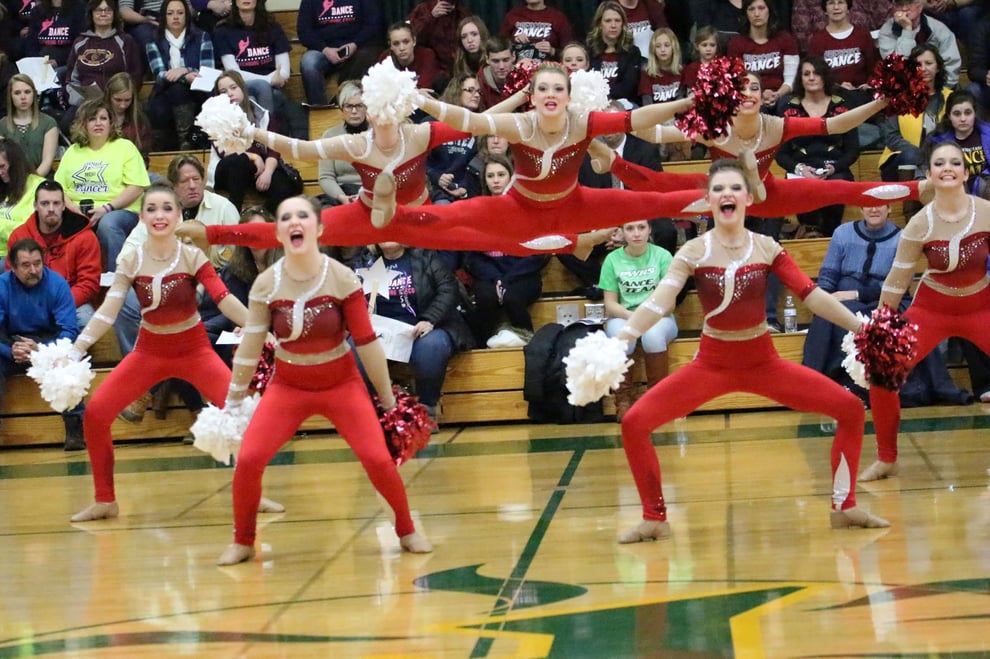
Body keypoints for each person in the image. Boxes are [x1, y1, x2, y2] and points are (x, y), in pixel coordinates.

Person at [611, 159, 889, 543]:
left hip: (763, 362)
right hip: (710, 365)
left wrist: (863, 328)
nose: (727, 194)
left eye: (734, 188)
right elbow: (660, 302)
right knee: (634, 423)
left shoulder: (767, 247)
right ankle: (654, 516)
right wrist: (624, 336)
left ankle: (845, 507)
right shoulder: (693, 250)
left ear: (748, 198)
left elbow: (812, 296)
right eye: (719, 189)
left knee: (851, 409)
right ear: (708, 200)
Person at [216, 195, 432, 565]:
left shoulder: (342, 277)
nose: (295, 222)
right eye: (286, 217)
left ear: (320, 228)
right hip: (288, 386)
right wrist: (234, 401)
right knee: (249, 459)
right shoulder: (266, 284)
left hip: (341, 384)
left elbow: (366, 343)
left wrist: (387, 400)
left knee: (378, 460)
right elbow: (250, 347)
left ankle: (407, 528)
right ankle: (243, 539)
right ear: (278, 232)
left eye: (303, 216)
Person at [68, 182, 249, 522]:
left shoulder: (193, 255)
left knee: (242, 412)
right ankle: (105, 499)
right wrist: (77, 348)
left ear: (179, 215)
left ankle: (257, 493)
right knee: (95, 415)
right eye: (151, 209)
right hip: (148, 352)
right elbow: (108, 310)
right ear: (141, 216)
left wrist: (259, 328)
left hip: (195, 349)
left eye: (167, 208)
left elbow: (224, 298)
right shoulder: (131, 258)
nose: (159, 215)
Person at [860, 141, 990, 482]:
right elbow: (897, 280)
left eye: (954, 163)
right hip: (933, 308)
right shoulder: (920, 223)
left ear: (965, 172)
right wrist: (880, 328)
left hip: (981, 306)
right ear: (930, 174)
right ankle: (887, 458)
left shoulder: (986, 212)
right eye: (939, 163)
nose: (947, 168)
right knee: (882, 372)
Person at [801, 202, 970, 407]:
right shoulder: (842, 233)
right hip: (845, 298)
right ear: (861, 209)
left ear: (890, 209)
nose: (874, 209)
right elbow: (828, 275)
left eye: (880, 206)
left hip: (888, 298)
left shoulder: (903, 237)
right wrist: (825, 299)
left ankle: (900, 389)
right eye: (868, 205)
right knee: (831, 317)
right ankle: (831, 387)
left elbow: (900, 282)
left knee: (905, 319)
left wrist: (856, 293)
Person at [363, 240, 474, 422]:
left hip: (426, 327)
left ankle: (426, 410)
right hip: (383, 331)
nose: (387, 237)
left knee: (432, 346)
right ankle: (376, 410)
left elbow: (448, 289)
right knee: (355, 348)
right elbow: (353, 297)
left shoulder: (426, 257)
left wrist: (430, 319)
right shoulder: (366, 261)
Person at [1, 237, 85, 451]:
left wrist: (41, 350)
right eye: (26, 265)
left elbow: (69, 331)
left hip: (48, 343)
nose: (33, 270)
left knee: (69, 366)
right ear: (12, 266)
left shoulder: (57, 284)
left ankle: (76, 430)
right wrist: (10, 350)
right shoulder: (2, 286)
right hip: (12, 344)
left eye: (37, 264)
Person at [54, 98, 150, 271]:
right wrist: (74, 210)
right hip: (78, 212)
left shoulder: (125, 147)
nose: (98, 123)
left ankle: (117, 279)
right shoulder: (72, 151)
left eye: (103, 118)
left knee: (108, 224)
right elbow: (59, 190)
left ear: (111, 123)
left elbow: (137, 187)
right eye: (92, 119)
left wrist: (107, 208)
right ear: (83, 124)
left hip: (119, 211)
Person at [463, 154, 548, 348]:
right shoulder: (477, 212)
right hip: (489, 276)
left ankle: (528, 341)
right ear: (484, 179)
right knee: (485, 297)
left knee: (511, 296)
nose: (495, 180)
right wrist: (496, 278)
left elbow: (538, 254)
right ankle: (483, 345)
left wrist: (507, 279)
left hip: (522, 275)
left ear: (511, 177)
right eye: (490, 175)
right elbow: (472, 257)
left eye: (501, 174)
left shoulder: (528, 210)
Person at [599, 219, 677, 421]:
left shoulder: (663, 256)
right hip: (624, 315)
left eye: (641, 227)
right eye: (630, 228)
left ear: (650, 229)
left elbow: (669, 304)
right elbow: (610, 304)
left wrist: (646, 317)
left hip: (660, 316)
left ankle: (658, 401)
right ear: (621, 232)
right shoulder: (612, 260)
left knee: (652, 336)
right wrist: (632, 318)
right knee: (623, 336)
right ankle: (623, 402)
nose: (636, 233)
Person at [774, 56, 858, 237]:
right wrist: (800, 169)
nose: (811, 77)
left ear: (824, 77)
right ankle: (809, 231)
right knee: (802, 187)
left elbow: (852, 150)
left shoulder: (842, 105)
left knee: (836, 183)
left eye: (816, 73)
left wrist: (834, 167)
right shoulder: (787, 107)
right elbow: (781, 154)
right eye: (806, 74)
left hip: (835, 167)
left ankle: (831, 233)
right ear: (800, 79)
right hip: (801, 169)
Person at [7, 180, 101, 328]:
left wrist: (58, 303)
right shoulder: (19, 236)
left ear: (64, 206)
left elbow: (89, 283)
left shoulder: (85, 237)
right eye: (45, 204)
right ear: (35, 206)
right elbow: (11, 281)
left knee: (88, 322)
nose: (51, 209)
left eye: (56, 203)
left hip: (72, 302)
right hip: (28, 303)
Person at [208, 71, 301, 213]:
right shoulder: (215, 119)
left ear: (242, 89)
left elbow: (273, 149)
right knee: (239, 161)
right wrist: (254, 157)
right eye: (223, 91)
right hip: (227, 170)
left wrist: (268, 173)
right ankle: (234, 213)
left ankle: (262, 218)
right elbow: (224, 151)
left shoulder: (263, 115)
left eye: (233, 87)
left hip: (258, 169)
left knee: (284, 185)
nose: (229, 93)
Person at [198, 205, 278, 367]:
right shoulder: (234, 269)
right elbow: (237, 310)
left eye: (261, 230)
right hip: (245, 325)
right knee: (202, 337)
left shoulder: (287, 263)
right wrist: (244, 328)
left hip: (280, 326)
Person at [878, 43, 952, 218]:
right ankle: (911, 215)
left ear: (938, 67)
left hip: (938, 159)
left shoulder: (950, 98)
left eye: (929, 63)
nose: (924, 69)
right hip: (900, 160)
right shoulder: (898, 97)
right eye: (919, 64)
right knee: (912, 156)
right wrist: (919, 153)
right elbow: (891, 136)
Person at [62, 0, 143, 132]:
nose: (103, 14)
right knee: (67, 122)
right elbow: (71, 80)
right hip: (86, 103)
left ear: (114, 14)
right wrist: (81, 101)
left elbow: (135, 76)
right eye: (99, 10)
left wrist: (118, 100)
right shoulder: (80, 42)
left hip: (117, 103)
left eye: (108, 10)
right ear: (92, 14)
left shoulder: (126, 41)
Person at [144, 0, 213, 151]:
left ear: (187, 16)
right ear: (164, 17)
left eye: (180, 13)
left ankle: (186, 140)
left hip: (198, 91)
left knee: (180, 90)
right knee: (175, 91)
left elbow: (208, 72)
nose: (175, 17)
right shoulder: (153, 39)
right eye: (170, 13)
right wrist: (185, 76)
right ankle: (184, 140)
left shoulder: (202, 36)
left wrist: (184, 69)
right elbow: (160, 74)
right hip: (165, 90)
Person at [212, 0, 290, 121]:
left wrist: (276, 78)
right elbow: (233, 72)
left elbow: (284, 71)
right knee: (261, 89)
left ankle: (266, 134)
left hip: (273, 87)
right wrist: (269, 80)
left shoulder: (273, 27)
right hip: (239, 86)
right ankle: (266, 135)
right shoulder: (223, 30)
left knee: (276, 96)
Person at [296, 0, 381, 107]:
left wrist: (355, 44)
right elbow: (304, 31)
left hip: (356, 47)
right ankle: (320, 110)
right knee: (308, 63)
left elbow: (372, 24)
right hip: (322, 50)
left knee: (368, 56)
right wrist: (325, 49)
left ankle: (342, 101)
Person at [726, 0, 799, 111]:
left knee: (785, 105)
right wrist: (757, 96)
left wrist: (777, 94)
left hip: (782, 96)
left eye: (761, 8)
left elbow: (791, 79)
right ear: (746, 13)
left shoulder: (785, 39)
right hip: (749, 96)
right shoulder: (736, 43)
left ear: (769, 11)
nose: (756, 14)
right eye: (751, 9)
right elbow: (737, 80)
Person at [805, 0, 880, 108]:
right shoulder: (817, 40)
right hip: (831, 97)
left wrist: (868, 85)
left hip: (862, 95)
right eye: (831, 3)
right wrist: (837, 87)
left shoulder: (863, 35)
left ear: (848, 8)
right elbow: (815, 75)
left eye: (840, 2)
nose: (836, 7)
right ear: (825, 10)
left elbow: (874, 68)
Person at [878, 0, 961, 89]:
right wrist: (907, 31)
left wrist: (941, 93)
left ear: (920, 6)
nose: (905, 8)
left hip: (938, 90)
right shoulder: (887, 32)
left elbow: (951, 67)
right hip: (903, 92)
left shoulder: (938, 29)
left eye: (910, 3)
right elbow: (898, 68)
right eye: (900, 4)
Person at [426, 75, 482, 204]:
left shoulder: (480, 125)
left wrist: (464, 188)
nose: (477, 95)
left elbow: (481, 161)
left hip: (468, 191)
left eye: (479, 91)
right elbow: (418, 161)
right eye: (470, 90)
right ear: (456, 91)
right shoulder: (432, 123)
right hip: (437, 191)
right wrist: (436, 177)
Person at [929, 89, 990, 198]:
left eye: (968, 113)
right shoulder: (938, 142)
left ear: (974, 113)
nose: (963, 119)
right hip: (952, 192)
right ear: (949, 116)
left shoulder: (987, 135)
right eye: (957, 114)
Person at [318, 81, 366, 207]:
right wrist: (342, 197)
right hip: (341, 192)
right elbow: (325, 176)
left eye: (359, 106)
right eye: (349, 106)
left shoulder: (379, 133)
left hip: (373, 193)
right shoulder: (330, 136)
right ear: (341, 109)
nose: (354, 111)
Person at [0, 75, 59, 178]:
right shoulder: (2, 125)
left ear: (34, 94)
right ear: (10, 96)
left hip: (40, 179)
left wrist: (31, 183)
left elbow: (47, 162)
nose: (23, 97)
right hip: (10, 180)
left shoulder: (49, 123)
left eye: (27, 92)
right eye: (17, 93)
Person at [587, 1, 642, 106]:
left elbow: (628, 88)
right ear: (599, 24)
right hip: (594, 104)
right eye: (608, 21)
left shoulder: (632, 52)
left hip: (624, 104)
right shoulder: (589, 51)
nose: (613, 25)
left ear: (623, 24)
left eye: (617, 21)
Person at [0, 138, 46, 258]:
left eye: (2, 166)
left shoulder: (38, 187)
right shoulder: (2, 185)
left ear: (15, 164)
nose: (0, 172)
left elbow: (29, 231)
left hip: (17, 255)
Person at [407, 0, 471, 76]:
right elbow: (407, 35)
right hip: (430, 69)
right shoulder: (424, 9)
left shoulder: (462, 12)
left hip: (458, 69)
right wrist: (431, 16)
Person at [499, 0, 574, 63]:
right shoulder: (512, 15)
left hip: (548, 70)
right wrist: (514, 40)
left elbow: (570, 51)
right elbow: (499, 47)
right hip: (517, 70)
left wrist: (552, 51)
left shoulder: (558, 17)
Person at [381, 21, 444, 94]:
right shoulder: (386, 58)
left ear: (414, 41)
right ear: (390, 46)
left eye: (406, 42)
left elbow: (425, 89)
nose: (402, 48)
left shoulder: (426, 55)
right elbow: (382, 90)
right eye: (396, 44)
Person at [25, 0, 87, 73]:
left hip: (67, 62)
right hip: (41, 62)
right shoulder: (37, 11)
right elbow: (31, 44)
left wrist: (59, 61)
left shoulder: (79, 9)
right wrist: (37, 62)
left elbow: (80, 44)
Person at [104, 72, 152, 165]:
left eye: (127, 100)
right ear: (109, 96)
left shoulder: (140, 120)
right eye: (118, 100)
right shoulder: (99, 118)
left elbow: (144, 156)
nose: (122, 105)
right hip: (105, 170)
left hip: (133, 170)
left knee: (160, 179)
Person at [639, 27, 683, 107]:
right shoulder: (647, 74)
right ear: (653, 49)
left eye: (667, 45)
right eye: (658, 46)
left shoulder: (682, 72)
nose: (662, 50)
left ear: (673, 47)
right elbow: (647, 106)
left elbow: (682, 103)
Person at [477, 35, 516, 110]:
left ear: (513, 56)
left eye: (505, 60)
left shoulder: (524, 79)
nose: (501, 66)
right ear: (487, 59)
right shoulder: (478, 83)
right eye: (495, 61)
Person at [451, 15, 489, 79]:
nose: (469, 40)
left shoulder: (493, 58)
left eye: (474, 34)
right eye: (464, 37)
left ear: (482, 35)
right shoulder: (459, 62)